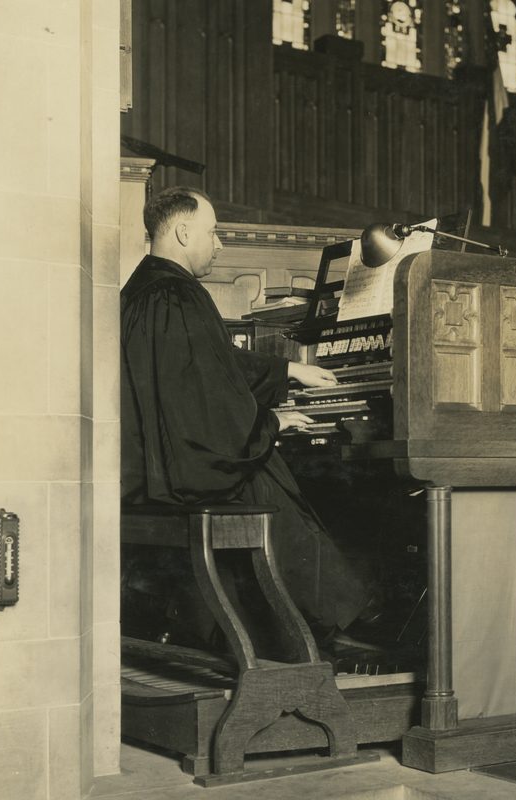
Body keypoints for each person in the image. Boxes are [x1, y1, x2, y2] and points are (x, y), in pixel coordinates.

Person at [120, 186, 373, 646]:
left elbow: (210, 365)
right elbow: (207, 404)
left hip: (144, 470)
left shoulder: (142, 289)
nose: (219, 245)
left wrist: (289, 370)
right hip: (178, 474)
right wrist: (272, 423)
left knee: (276, 468)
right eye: (213, 233)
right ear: (182, 231)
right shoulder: (176, 295)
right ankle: (332, 632)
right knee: (272, 480)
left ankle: (302, 630)